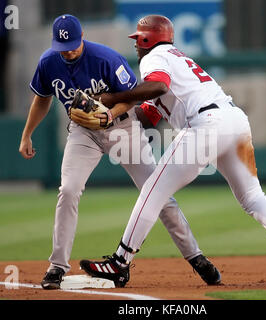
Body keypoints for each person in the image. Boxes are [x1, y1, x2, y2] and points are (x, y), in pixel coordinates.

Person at [79, 15, 266, 284]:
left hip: (205, 125)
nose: (136, 45)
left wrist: (111, 98)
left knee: (152, 190)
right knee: (252, 195)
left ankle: (120, 262)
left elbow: (157, 86)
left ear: (147, 39)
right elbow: (148, 115)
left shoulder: (153, 58)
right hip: (235, 121)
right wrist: (108, 117)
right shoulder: (177, 58)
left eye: (138, 39)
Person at [19, 14, 221, 289]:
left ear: (82, 38)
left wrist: (110, 113)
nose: (68, 50)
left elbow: (134, 96)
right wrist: (27, 133)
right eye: (62, 46)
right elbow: (41, 99)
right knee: (68, 190)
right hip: (83, 132)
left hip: (122, 129)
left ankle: (196, 257)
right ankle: (57, 266)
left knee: (156, 192)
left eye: (73, 45)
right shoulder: (48, 62)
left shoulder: (106, 59)